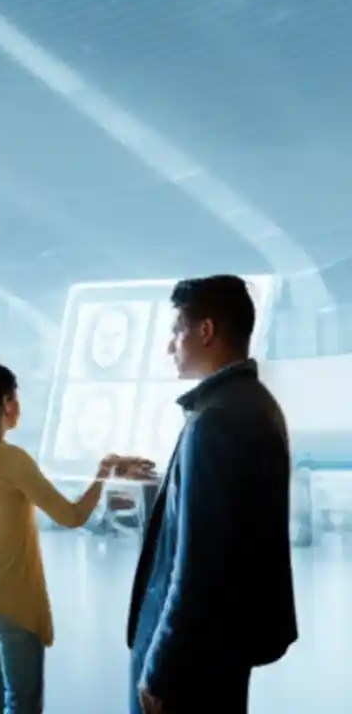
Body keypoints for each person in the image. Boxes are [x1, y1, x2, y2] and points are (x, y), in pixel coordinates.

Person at [127, 276, 296, 714]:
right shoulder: (257, 404)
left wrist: (160, 667)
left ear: (205, 331)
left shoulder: (215, 421)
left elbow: (197, 567)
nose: (170, 347)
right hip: (224, 651)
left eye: (176, 332)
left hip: (192, 665)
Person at [0, 361, 151, 713]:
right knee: (23, 701)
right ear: (7, 402)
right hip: (9, 595)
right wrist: (102, 474)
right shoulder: (11, 459)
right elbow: (71, 516)